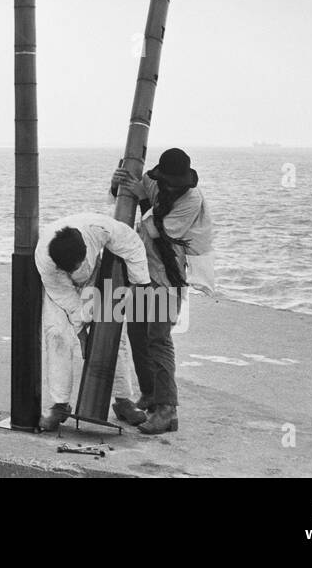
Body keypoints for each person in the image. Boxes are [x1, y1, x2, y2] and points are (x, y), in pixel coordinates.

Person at [110, 147, 215, 435]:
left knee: (159, 338)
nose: (167, 186)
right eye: (165, 180)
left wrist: (142, 197)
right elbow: (122, 196)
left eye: (172, 182)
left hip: (167, 274)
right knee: (136, 331)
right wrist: (117, 182)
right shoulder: (154, 180)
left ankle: (167, 409)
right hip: (142, 268)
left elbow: (160, 231)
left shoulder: (192, 198)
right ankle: (150, 394)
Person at [35, 212, 150, 432]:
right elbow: (68, 300)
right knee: (57, 335)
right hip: (61, 290)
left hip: (94, 274)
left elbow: (133, 245)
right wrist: (83, 336)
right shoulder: (46, 261)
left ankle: (123, 400)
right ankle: (60, 404)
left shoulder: (98, 228)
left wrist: (138, 285)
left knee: (113, 333)